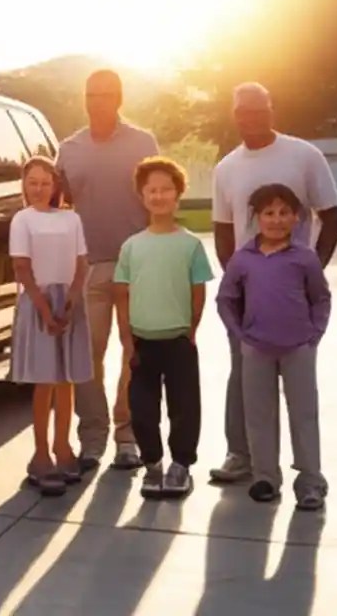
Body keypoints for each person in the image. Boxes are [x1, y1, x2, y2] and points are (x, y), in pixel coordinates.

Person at [208, 83, 337, 484]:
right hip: (250, 296)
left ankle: (308, 472)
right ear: (234, 115)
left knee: (300, 392)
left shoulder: (303, 155)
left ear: (271, 109)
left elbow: (332, 217)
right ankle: (242, 455)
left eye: (258, 109)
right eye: (242, 111)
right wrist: (240, 281)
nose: (250, 117)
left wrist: (309, 271)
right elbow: (221, 230)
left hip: (293, 298)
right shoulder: (226, 168)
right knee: (244, 379)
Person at [55, 69, 159, 473]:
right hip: (89, 268)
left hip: (136, 266)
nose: (95, 101)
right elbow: (58, 207)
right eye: (89, 94)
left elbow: (158, 197)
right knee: (88, 356)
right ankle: (93, 438)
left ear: (118, 98)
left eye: (103, 94)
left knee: (135, 355)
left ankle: (127, 436)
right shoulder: (70, 148)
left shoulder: (143, 143)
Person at [216, 183, 331, 510]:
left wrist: (314, 335)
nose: (277, 219)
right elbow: (226, 299)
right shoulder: (243, 259)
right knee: (258, 414)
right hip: (256, 347)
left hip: (298, 347)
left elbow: (320, 298)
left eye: (284, 213)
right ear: (257, 217)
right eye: (269, 213)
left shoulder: (305, 258)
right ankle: (265, 477)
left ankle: (310, 481)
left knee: (304, 413)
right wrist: (239, 334)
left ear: (296, 218)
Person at [113, 156, 214, 498]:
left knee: (184, 407)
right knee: (142, 408)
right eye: (151, 190)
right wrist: (127, 339)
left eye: (166, 190)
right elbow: (122, 294)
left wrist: (191, 330)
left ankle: (181, 466)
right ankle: (152, 464)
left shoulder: (190, 245)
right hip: (143, 342)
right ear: (142, 196)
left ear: (178, 194)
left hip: (178, 342)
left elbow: (198, 291)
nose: (158, 196)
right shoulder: (132, 246)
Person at [9, 155, 94, 497]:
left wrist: (72, 300)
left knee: (65, 379)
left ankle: (63, 446)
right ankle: (41, 453)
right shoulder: (22, 220)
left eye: (45, 182)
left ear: (55, 185)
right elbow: (22, 269)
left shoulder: (71, 219)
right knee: (45, 379)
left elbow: (82, 263)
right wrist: (45, 310)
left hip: (68, 301)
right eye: (33, 183)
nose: (39, 189)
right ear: (25, 187)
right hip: (39, 300)